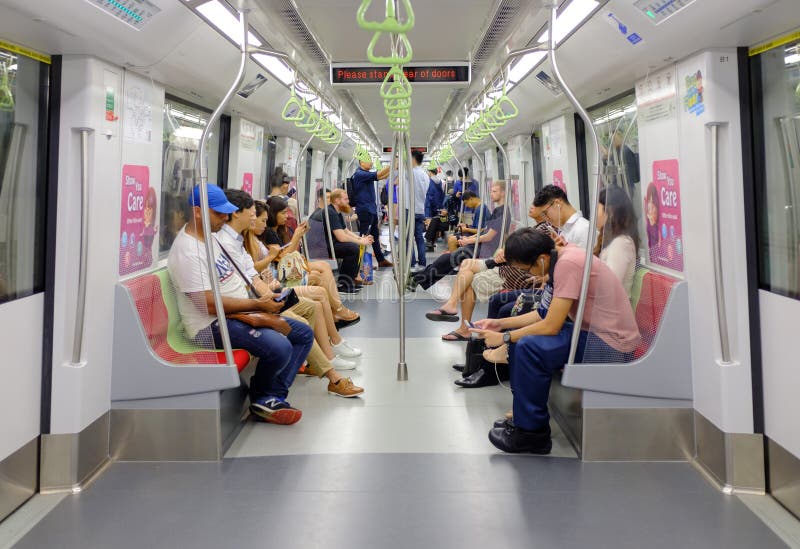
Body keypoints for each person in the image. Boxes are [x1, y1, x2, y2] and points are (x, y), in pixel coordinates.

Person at [471, 228, 641, 453]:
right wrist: (500, 324)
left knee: (529, 347)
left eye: (526, 268)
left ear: (540, 259)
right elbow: (543, 313)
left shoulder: (568, 265)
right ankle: (524, 419)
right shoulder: (557, 259)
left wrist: (503, 337)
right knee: (523, 338)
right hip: (591, 333)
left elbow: (550, 326)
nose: (528, 273)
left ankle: (532, 435)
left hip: (610, 343)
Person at [167, 184, 313, 424]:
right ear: (197, 211)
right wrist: (258, 307)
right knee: (280, 347)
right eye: (218, 213)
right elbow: (208, 305)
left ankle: (270, 396)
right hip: (209, 325)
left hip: (239, 312)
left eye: (226, 213)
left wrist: (264, 299)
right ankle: (264, 397)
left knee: (303, 334)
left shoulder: (212, 240)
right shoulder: (187, 252)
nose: (225, 218)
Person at [220, 190, 364, 397]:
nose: (256, 219)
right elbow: (260, 273)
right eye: (253, 215)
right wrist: (267, 294)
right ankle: (331, 369)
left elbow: (254, 277)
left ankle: (331, 346)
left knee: (315, 297)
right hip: (254, 303)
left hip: (266, 292)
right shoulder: (233, 245)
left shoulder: (241, 244)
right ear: (236, 214)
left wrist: (271, 292)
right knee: (310, 310)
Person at [410, 181, 507, 291]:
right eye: (491, 191)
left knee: (447, 259)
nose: (491, 194)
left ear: (503, 193)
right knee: (445, 259)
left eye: (494, 191)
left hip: (485, 249)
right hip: (481, 245)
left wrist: (468, 241)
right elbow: (485, 230)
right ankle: (418, 277)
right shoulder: (497, 210)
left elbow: (489, 236)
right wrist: (469, 238)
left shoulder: (502, 211)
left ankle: (417, 278)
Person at [324, 189, 373, 293]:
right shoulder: (330, 212)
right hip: (326, 247)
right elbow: (341, 237)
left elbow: (345, 231)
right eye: (345, 199)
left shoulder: (337, 212)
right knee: (353, 249)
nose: (348, 201)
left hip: (333, 244)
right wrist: (360, 242)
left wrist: (360, 239)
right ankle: (344, 284)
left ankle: (350, 280)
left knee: (354, 246)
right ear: (337, 200)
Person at [594, 186, 639, 297]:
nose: (593, 214)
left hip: (613, 310)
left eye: (597, 209)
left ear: (610, 212)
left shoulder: (621, 243)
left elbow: (609, 286)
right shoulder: (610, 241)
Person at [350, 156, 393, 268]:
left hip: (371, 209)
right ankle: (359, 265)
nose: (371, 162)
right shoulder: (359, 174)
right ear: (361, 162)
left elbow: (382, 176)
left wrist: (393, 168)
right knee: (363, 237)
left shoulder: (366, 175)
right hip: (365, 210)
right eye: (368, 160)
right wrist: (392, 163)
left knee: (375, 236)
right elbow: (378, 174)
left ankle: (381, 260)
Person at [409, 150, 430, 269]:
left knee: (408, 238)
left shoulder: (409, 173)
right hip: (420, 210)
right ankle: (422, 262)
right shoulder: (425, 175)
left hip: (409, 210)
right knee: (419, 237)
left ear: (413, 159)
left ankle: (411, 262)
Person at [424, 165, 446, 251]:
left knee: (429, 224)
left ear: (430, 172)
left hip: (429, 205)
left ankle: (429, 243)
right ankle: (433, 242)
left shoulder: (428, 181)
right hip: (438, 205)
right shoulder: (441, 182)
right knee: (436, 224)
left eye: (428, 172)